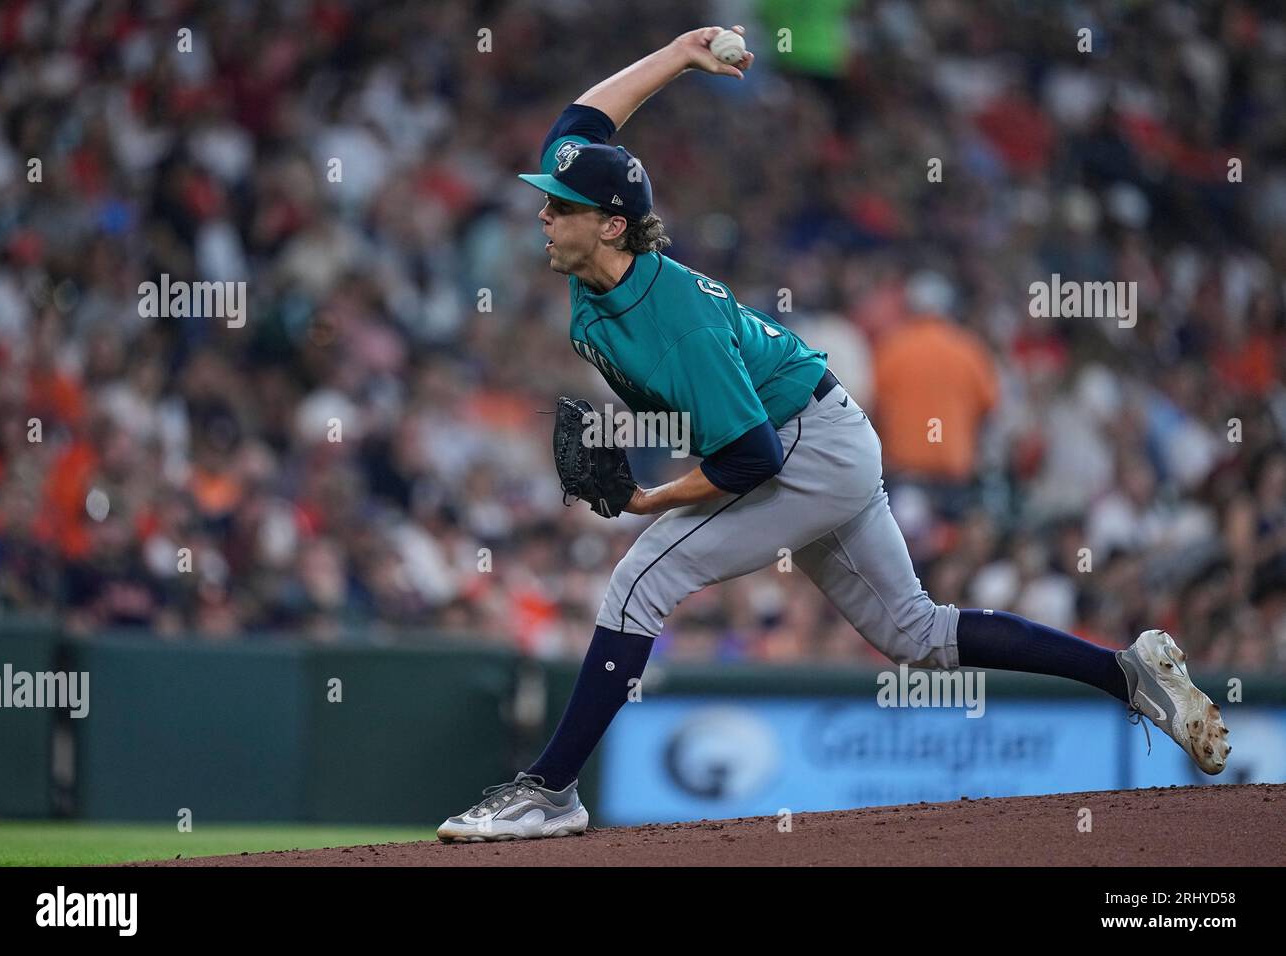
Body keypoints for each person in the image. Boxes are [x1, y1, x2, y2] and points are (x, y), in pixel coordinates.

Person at [436, 26, 1230, 843]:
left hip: (802, 446)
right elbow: (585, 120)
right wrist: (679, 53)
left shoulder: (675, 326)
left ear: (609, 226)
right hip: (825, 432)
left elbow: (752, 459)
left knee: (641, 580)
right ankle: (1128, 673)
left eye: (559, 207)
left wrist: (648, 498)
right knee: (916, 636)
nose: (541, 212)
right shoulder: (597, 247)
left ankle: (552, 789)